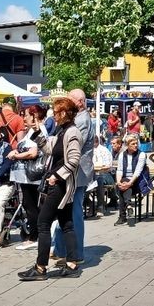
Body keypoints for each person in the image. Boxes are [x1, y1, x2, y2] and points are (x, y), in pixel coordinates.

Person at [18, 97, 82, 282]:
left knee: (43, 223)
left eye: (56, 112)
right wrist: (38, 131)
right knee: (66, 224)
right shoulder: (63, 131)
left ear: (65, 113)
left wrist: (57, 176)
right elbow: (48, 149)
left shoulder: (72, 132)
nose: (53, 115)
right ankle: (72, 264)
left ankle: (41, 268)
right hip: (60, 184)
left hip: (60, 185)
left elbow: (74, 160)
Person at [52, 89, 93, 268]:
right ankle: (62, 249)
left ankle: (76, 254)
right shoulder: (79, 118)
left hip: (78, 174)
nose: (66, 102)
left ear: (80, 102)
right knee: (65, 210)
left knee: (74, 213)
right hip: (73, 172)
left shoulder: (81, 120)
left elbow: (73, 146)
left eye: (69, 99)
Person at [9, 108, 44, 250]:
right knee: (28, 204)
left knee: (31, 205)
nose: (24, 118)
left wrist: (16, 155)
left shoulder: (39, 130)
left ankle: (35, 236)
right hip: (24, 176)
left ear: (34, 116)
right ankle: (34, 234)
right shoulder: (30, 131)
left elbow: (33, 153)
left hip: (32, 176)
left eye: (27, 115)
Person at [113, 135, 146, 228]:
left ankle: (122, 216)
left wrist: (129, 183)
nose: (136, 145)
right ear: (127, 145)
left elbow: (137, 172)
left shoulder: (141, 155)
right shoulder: (122, 155)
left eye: (136, 143)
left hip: (137, 181)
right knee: (121, 185)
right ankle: (129, 205)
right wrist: (119, 182)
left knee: (123, 188)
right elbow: (119, 170)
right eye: (133, 144)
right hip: (125, 181)